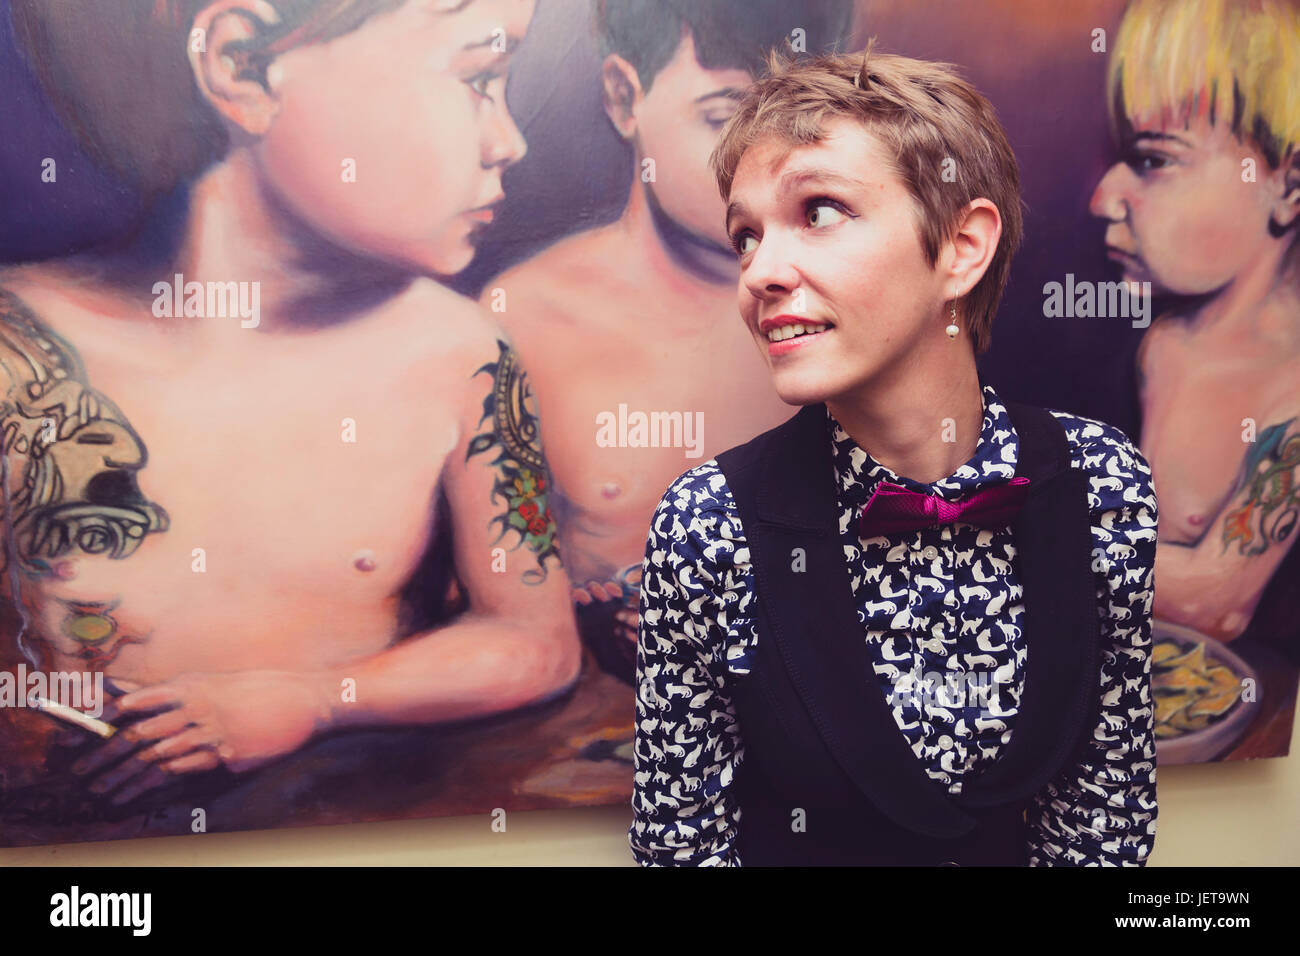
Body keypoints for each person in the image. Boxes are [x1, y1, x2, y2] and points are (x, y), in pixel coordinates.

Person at [0, 0, 581, 844]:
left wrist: (315, 701)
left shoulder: (462, 356)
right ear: (243, 69)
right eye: (477, 79)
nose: (508, 142)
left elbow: (536, 640)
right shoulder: (19, 347)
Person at [629, 40, 1160, 866]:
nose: (761, 271)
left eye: (819, 211)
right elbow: (680, 844)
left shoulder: (1102, 483)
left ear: (959, 248)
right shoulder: (709, 525)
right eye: (745, 236)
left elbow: (1103, 814)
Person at [480, 0, 853, 685]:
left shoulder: (857, 313)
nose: (768, 160)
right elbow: (480, 598)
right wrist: (583, 612)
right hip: (594, 760)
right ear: (625, 97)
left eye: (799, 125)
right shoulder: (519, 321)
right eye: (724, 119)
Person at [1089, 0, 1300, 663]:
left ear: (1286, 185)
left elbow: (1219, 600)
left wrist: (1019, 533)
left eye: (1154, 160)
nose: (1103, 197)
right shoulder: (1161, 349)